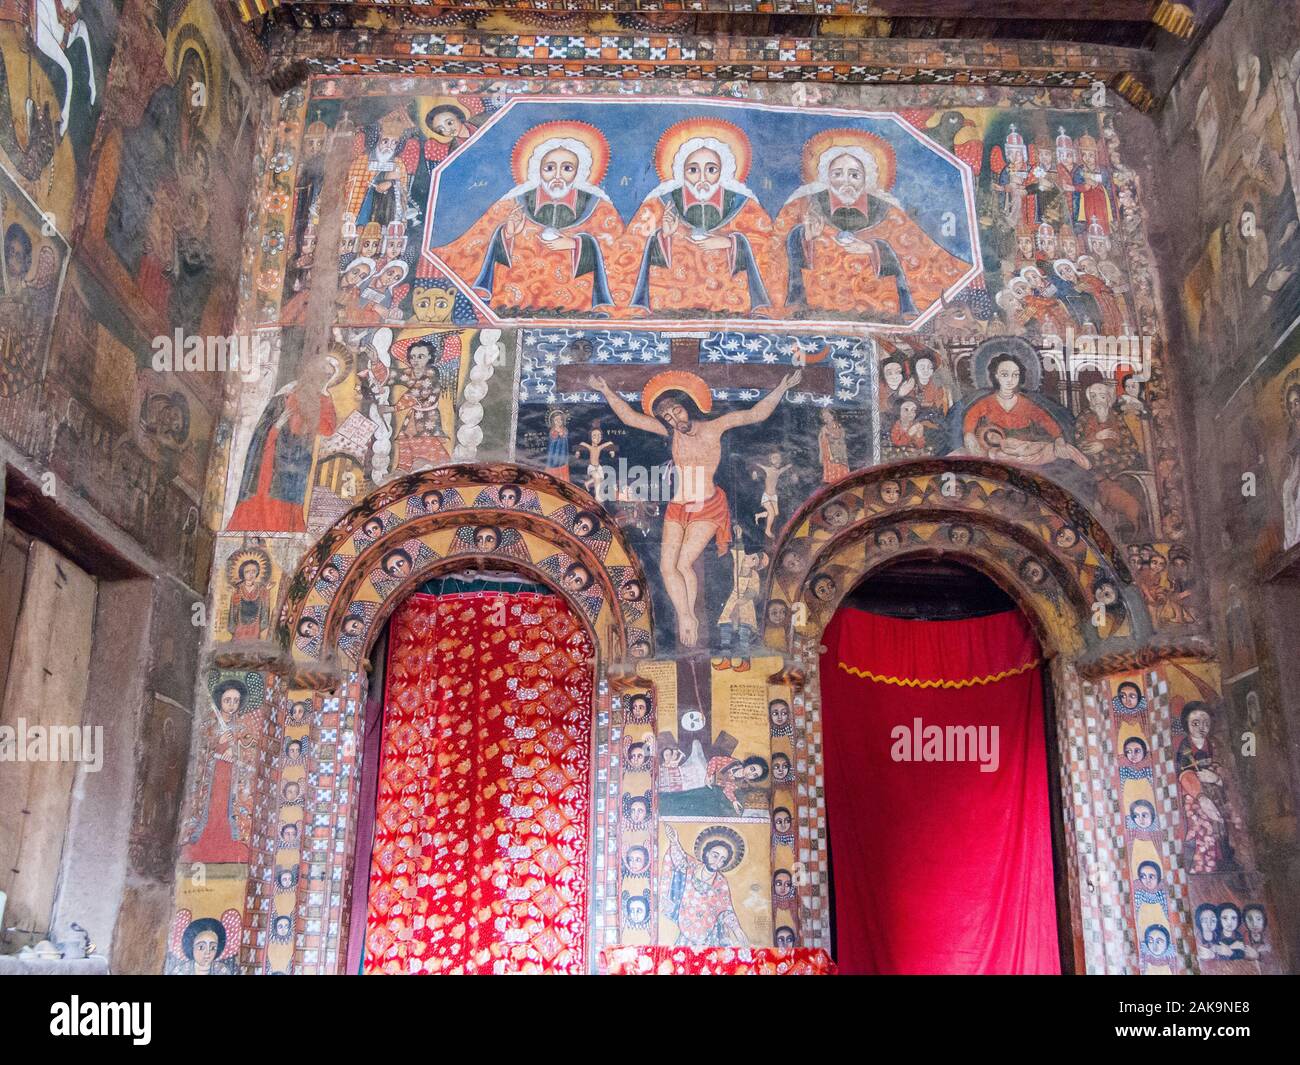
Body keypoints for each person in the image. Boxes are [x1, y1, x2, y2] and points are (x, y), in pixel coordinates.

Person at [588, 368, 800, 647]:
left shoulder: (715, 427)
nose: (675, 419)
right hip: (678, 506)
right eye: (668, 417)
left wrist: (781, 387)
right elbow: (630, 417)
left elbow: (755, 414)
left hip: (708, 506)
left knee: (684, 563)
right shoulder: (669, 432)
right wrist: (606, 390)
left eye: (677, 410)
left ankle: (690, 619)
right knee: (667, 568)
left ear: (687, 405)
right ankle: (686, 616)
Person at [775, 129, 970, 317]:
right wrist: (804, 237)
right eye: (837, 174)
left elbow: (920, 255)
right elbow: (772, 250)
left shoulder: (887, 212)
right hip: (820, 299)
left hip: (878, 304)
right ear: (826, 177)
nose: (846, 181)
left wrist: (875, 249)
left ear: (867, 178)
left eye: (854, 175)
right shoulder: (805, 206)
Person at [436, 122, 622, 312]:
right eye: (549, 168)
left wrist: (578, 245)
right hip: (519, 299)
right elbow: (476, 242)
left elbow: (617, 252)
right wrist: (507, 234)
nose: (557, 176)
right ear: (537, 170)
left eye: (567, 168)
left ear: (579, 171)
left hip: (578, 300)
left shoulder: (599, 207)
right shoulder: (514, 202)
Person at [615, 118, 780, 315]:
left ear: (723, 171)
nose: (702, 178)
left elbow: (770, 245)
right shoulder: (661, 203)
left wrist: (732, 243)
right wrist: (663, 237)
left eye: (711, 170)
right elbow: (629, 249)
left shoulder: (744, 205)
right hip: (672, 300)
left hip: (730, 299)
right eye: (693, 170)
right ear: (680, 172)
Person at [661, 824, 748, 947]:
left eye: (723, 859)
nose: (717, 861)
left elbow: (725, 909)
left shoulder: (720, 882)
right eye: (715, 855)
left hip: (710, 935)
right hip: (687, 928)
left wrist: (737, 930)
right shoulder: (692, 866)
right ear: (707, 853)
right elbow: (679, 859)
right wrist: (674, 842)